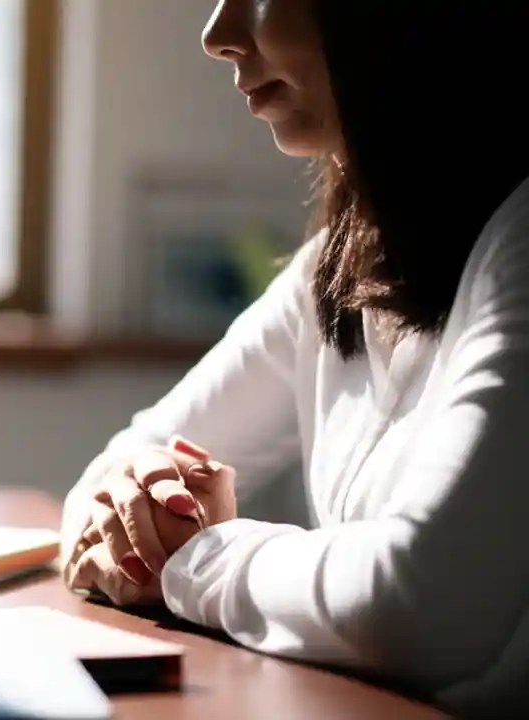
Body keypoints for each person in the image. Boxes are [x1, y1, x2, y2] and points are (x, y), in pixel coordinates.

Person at [60, 1, 529, 715]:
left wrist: (191, 557)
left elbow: (423, 604)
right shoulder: (337, 267)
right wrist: (137, 515)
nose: (217, 36)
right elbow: (106, 479)